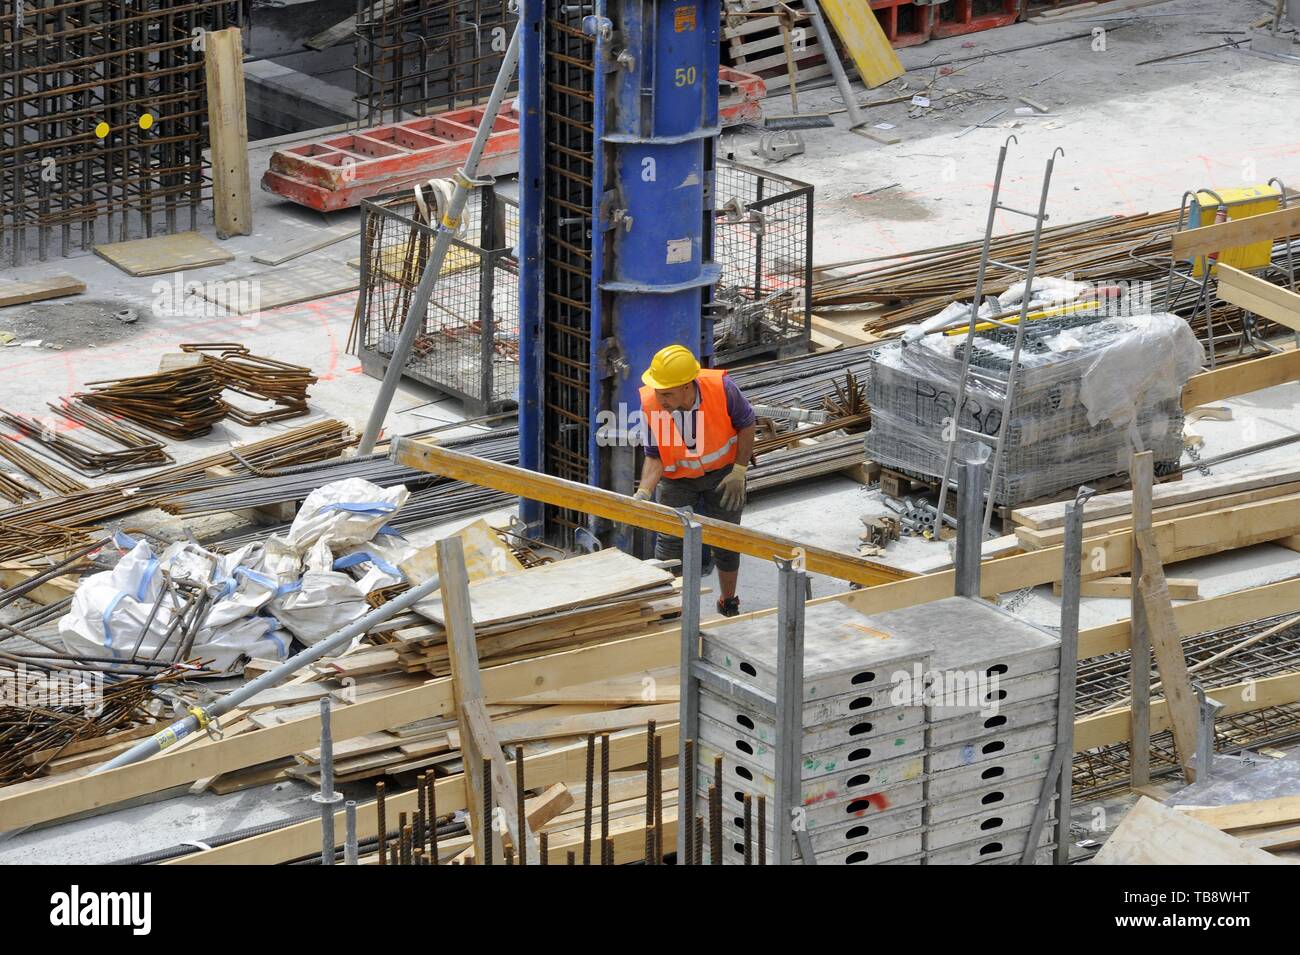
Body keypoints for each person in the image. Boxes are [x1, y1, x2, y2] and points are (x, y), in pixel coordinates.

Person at [634, 344, 756, 617]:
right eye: (657, 391)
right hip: (677, 480)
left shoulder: (722, 389)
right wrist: (644, 491)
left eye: (667, 393)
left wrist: (739, 470)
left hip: (724, 475)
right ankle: (672, 606)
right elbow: (655, 455)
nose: (660, 398)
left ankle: (728, 601)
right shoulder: (652, 405)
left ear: (687, 386)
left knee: (727, 540)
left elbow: (747, 423)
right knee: (669, 543)